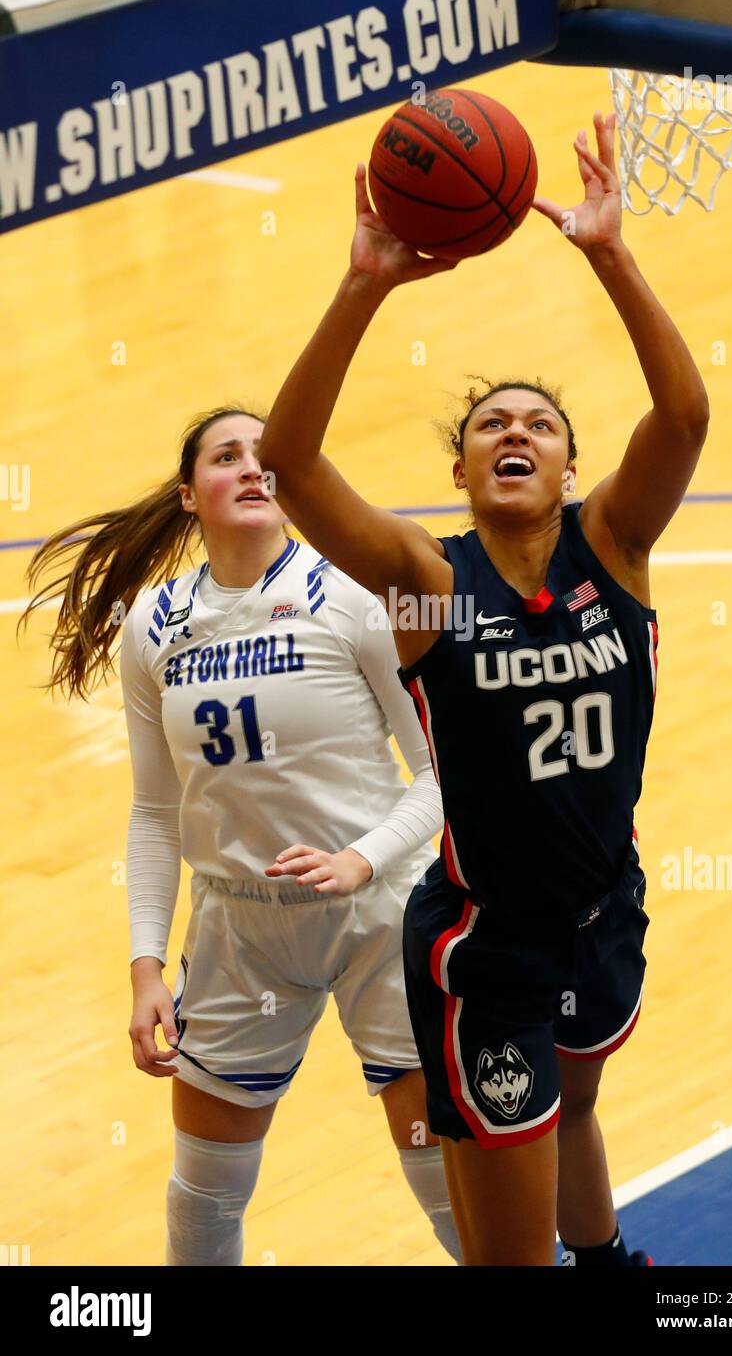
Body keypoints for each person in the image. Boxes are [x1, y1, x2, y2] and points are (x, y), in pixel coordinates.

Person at [255, 111, 709, 1266]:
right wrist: (364, 285)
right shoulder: (422, 583)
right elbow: (294, 465)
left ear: (568, 467)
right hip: (486, 949)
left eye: (541, 425)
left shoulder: (613, 545)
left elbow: (684, 416)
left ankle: (611, 1261)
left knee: (579, 1109)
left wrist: (610, 251)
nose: (516, 431)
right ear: (459, 472)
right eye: (490, 426)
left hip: (605, 910)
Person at [20, 404, 462, 1266]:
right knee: (203, 1198)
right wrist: (146, 965)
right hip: (238, 933)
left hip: (381, 918)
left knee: (445, 1188)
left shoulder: (353, 597)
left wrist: (358, 857)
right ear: (190, 495)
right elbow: (154, 810)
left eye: (267, 457)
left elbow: (443, 778)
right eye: (229, 457)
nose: (254, 470)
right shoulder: (153, 626)